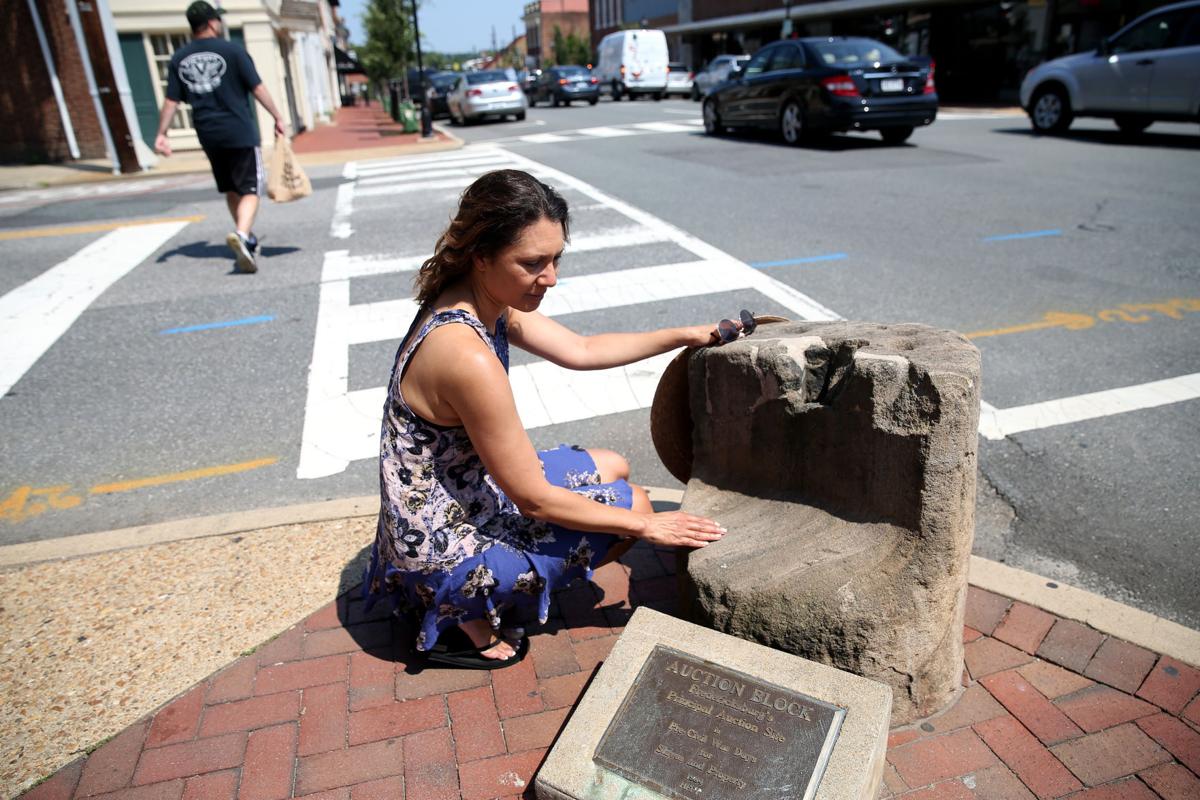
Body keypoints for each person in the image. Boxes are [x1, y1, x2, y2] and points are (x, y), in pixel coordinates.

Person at [363, 169, 732, 669]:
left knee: (614, 464)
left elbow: (581, 350)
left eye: (556, 258)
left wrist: (687, 334)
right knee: (638, 507)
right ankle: (456, 609)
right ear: (481, 255)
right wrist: (648, 528)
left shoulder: (482, 297)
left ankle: (468, 599)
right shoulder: (465, 355)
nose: (551, 277)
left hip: (458, 490)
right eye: (533, 262)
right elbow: (532, 498)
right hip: (442, 543)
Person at [152, 1, 286, 274]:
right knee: (250, 188)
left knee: (230, 188)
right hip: (238, 131)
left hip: (208, 134)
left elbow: (171, 100)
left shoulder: (179, 58)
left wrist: (161, 134)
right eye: (218, 20)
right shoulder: (233, 51)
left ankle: (244, 236)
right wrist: (277, 116)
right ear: (212, 23)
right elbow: (257, 88)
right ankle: (242, 233)